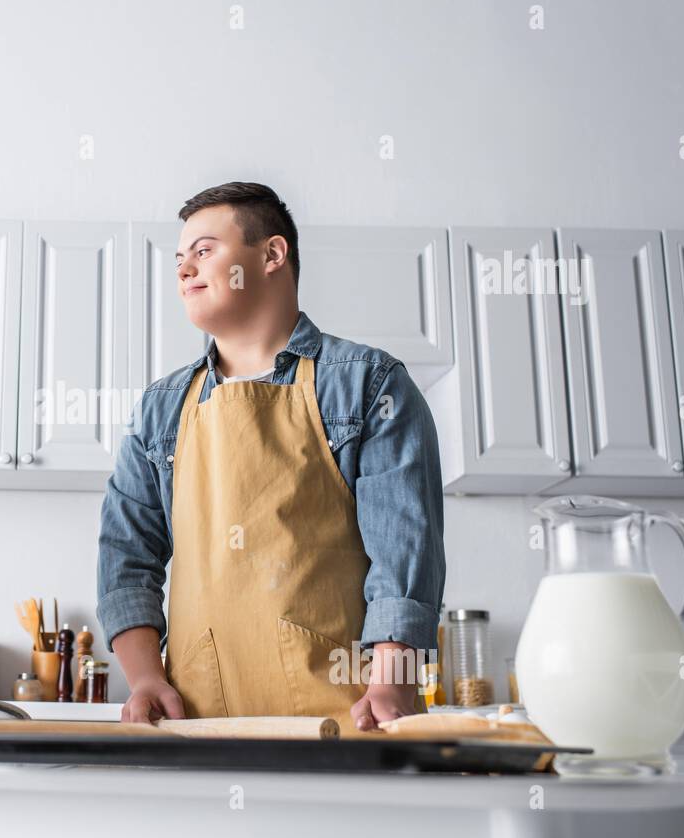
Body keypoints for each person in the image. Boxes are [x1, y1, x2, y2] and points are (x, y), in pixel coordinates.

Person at [96, 182, 446, 734]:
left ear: (271, 255)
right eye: (180, 259)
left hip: (350, 725)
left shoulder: (365, 385)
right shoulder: (160, 409)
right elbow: (126, 559)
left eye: (205, 250)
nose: (185, 269)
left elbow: (403, 556)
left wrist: (393, 682)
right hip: (197, 726)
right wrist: (144, 678)